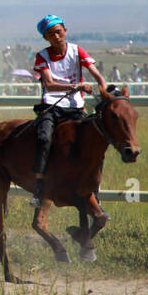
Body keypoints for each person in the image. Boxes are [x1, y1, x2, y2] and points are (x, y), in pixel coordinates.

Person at [29, 14, 108, 208]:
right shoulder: (42, 56)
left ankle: (94, 189)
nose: (56, 36)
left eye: (58, 31)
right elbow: (48, 84)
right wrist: (77, 87)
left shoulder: (77, 51)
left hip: (75, 107)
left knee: (97, 142)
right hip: (51, 105)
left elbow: (97, 75)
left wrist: (103, 89)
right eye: (50, 34)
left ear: (65, 30)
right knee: (44, 138)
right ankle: (39, 187)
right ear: (46, 38)